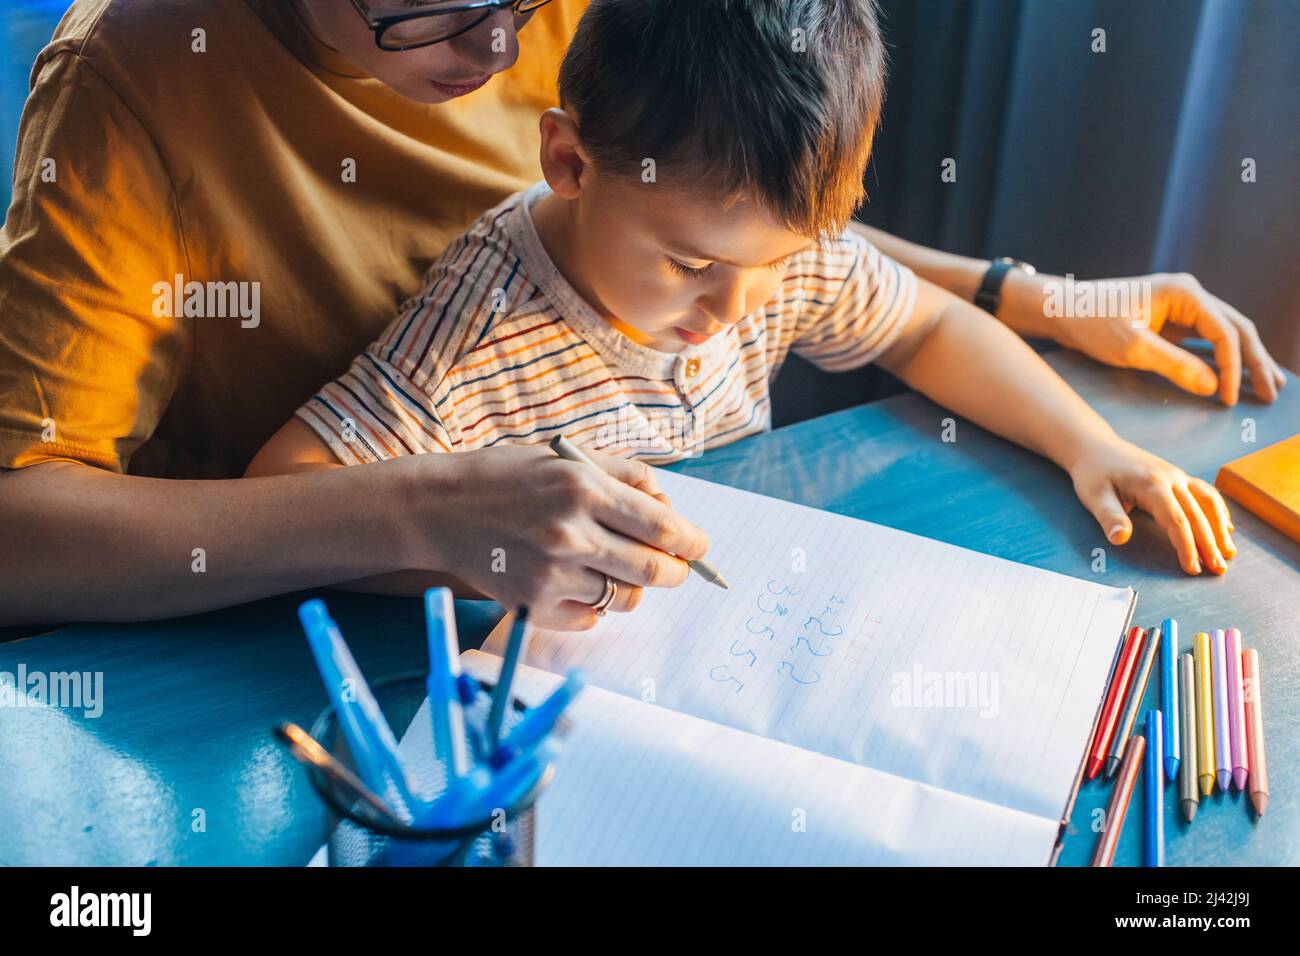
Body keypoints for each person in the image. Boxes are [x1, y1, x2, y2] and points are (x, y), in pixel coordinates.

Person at [0, 0, 1283, 629]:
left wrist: (1032, 298)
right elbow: (20, 529)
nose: (503, 46)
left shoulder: (699, 225)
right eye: (439, 9)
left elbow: (737, 225)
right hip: (300, 635)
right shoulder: (132, 85)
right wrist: (433, 516)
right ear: (563, 161)